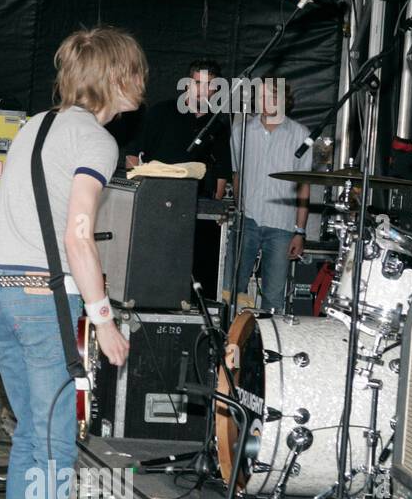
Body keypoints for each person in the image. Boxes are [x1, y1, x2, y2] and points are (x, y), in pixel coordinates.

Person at [0, 26, 140, 499]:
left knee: (32, 437)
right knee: (51, 448)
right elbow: (78, 235)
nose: (141, 81)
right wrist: (104, 319)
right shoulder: (96, 140)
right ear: (115, 78)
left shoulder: (35, 125)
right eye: (134, 71)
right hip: (40, 300)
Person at [125, 59, 234, 300]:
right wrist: (136, 195)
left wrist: (215, 208)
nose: (202, 90)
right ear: (186, 85)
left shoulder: (218, 124)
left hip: (196, 211)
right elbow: (132, 156)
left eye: (208, 85)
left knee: (193, 274)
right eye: (197, 83)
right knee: (152, 270)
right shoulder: (160, 113)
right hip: (154, 205)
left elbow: (222, 173)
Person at [228, 77, 310, 311]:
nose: (265, 101)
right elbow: (237, 175)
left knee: (273, 298)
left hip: (281, 226)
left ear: (284, 99)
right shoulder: (241, 131)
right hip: (247, 222)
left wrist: (300, 231)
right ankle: (230, 333)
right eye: (261, 96)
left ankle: (267, 336)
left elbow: (304, 185)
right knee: (231, 291)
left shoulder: (301, 135)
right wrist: (239, 212)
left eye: (272, 96)